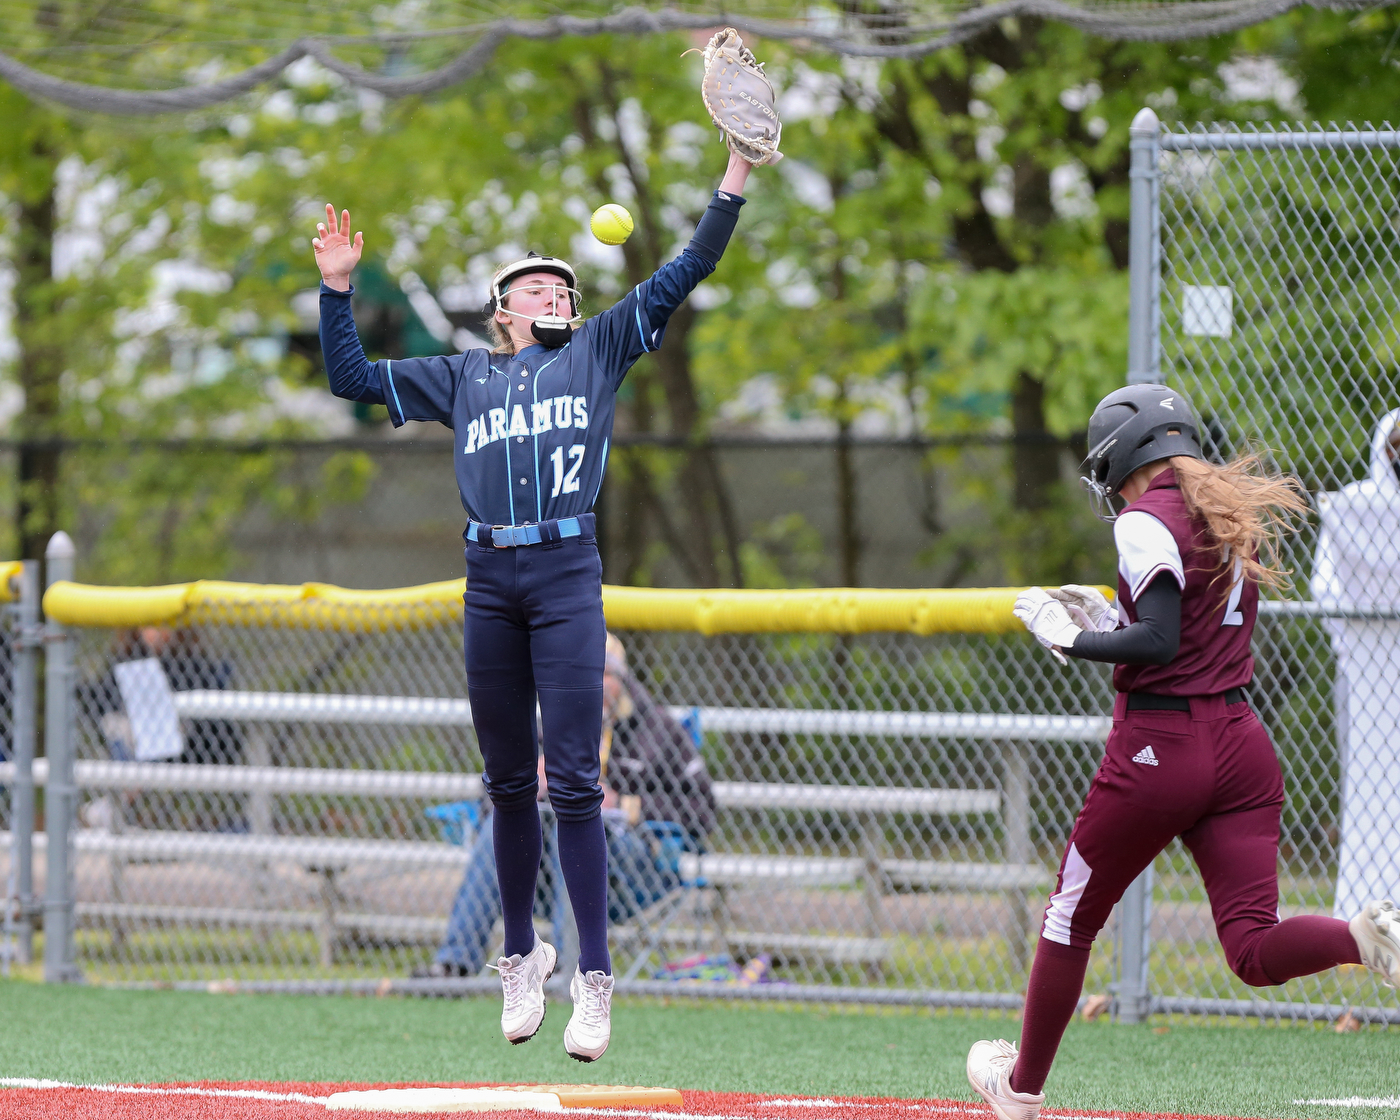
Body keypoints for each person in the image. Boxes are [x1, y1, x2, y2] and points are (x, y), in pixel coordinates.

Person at [311, 149, 762, 1061]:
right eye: (538, 288)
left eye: (564, 288)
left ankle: (593, 976)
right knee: (509, 785)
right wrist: (337, 289)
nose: (557, 295)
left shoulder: (596, 350)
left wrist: (735, 176)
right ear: (504, 311)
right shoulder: (465, 376)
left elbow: (688, 268)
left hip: (563, 575)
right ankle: (520, 957)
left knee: (577, 784)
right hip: (489, 579)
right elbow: (351, 378)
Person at [968, 384, 1400, 1120]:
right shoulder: (1223, 507)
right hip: (1240, 742)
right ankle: (1362, 938)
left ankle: (1021, 1089)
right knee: (1253, 948)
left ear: (1122, 456)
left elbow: (1160, 642)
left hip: (1162, 747)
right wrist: (1114, 616)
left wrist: (1073, 637)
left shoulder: (1146, 518)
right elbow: (1187, 626)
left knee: (1070, 918)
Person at [420, 633, 715, 979]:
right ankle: (455, 965)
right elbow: (489, 797)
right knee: (500, 828)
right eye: (584, 674)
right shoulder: (553, 724)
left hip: (634, 865)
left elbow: (703, 808)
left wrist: (625, 803)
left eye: (604, 674)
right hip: (546, 870)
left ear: (622, 678)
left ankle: (567, 967)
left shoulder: (659, 730)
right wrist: (526, 786)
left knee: (573, 821)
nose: (595, 685)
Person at [1311, 409, 1400, 920]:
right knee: (1369, 792)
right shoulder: (1356, 506)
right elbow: (1326, 588)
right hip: (1366, 675)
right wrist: (1357, 646)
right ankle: (1372, 913)